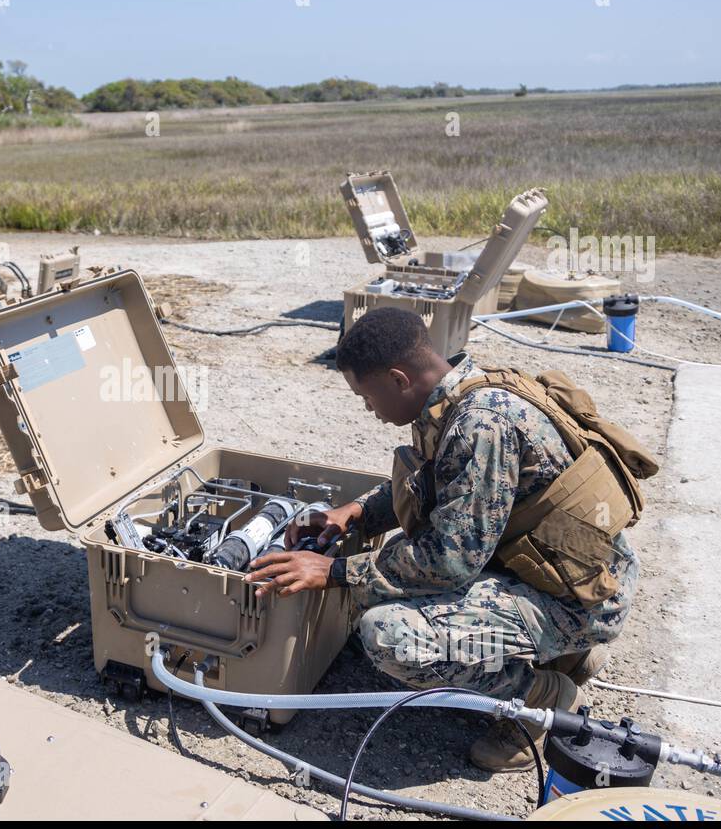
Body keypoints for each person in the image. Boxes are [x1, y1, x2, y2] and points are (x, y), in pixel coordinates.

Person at [246, 307, 650, 772]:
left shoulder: (481, 424)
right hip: (571, 576)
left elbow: (449, 561)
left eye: (366, 395)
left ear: (399, 379)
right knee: (390, 596)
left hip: (579, 599)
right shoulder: (460, 390)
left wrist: (336, 572)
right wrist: (356, 512)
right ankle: (566, 654)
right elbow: (442, 483)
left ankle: (543, 701)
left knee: (390, 635)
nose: (367, 409)